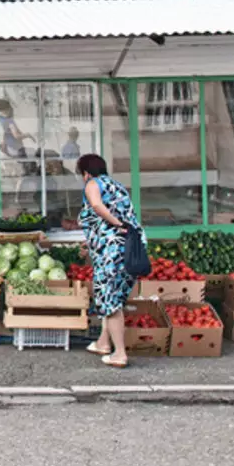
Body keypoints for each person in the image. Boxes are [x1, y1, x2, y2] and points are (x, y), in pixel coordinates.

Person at [76, 153, 140, 369]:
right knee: (113, 297)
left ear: (85, 173)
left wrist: (116, 224)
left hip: (111, 251)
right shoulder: (117, 186)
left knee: (110, 300)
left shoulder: (92, 183)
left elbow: (97, 206)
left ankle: (119, 354)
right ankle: (103, 343)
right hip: (129, 248)